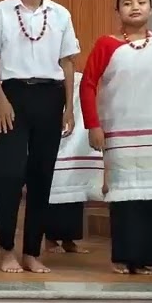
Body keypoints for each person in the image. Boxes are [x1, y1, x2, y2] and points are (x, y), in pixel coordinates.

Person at [0, 0, 81, 274]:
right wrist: (2, 102)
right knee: (9, 175)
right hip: (13, 96)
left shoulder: (61, 14)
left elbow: (67, 63)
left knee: (42, 177)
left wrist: (68, 108)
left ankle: (32, 252)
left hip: (50, 97)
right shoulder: (0, 12)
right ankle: (7, 249)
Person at [81, 0, 152, 274]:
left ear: (151, 9)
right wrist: (93, 125)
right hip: (120, 131)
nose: (134, 7)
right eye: (127, 3)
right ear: (118, 11)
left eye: (141, 2)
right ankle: (123, 256)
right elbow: (88, 84)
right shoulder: (106, 44)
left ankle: (147, 258)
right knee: (124, 195)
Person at [45, 70, 103, 253]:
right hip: (53, 139)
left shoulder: (79, 79)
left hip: (74, 142)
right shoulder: (47, 76)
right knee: (54, 189)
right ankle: (51, 239)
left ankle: (70, 240)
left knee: (75, 190)